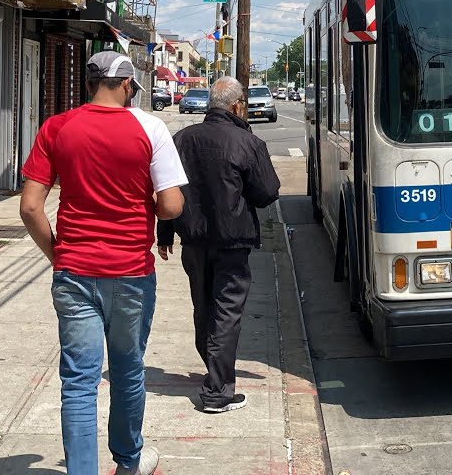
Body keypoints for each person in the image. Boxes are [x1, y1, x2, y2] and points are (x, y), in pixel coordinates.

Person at [19, 51, 187, 475]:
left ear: (89, 83)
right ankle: (128, 462)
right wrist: (144, 205)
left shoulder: (57, 128)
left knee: (78, 382)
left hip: (74, 269)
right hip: (130, 270)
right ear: (128, 85)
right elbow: (171, 205)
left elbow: (30, 208)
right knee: (128, 371)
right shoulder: (150, 127)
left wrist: (58, 253)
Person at [157, 76, 280, 413]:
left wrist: (164, 233)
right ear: (238, 105)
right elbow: (267, 192)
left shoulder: (181, 139)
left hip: (193, 242)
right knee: (226, 313)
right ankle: (217, 392)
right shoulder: (245, 142)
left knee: (204, 307)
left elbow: (166, 190)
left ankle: (214, 372)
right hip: (232, 242)